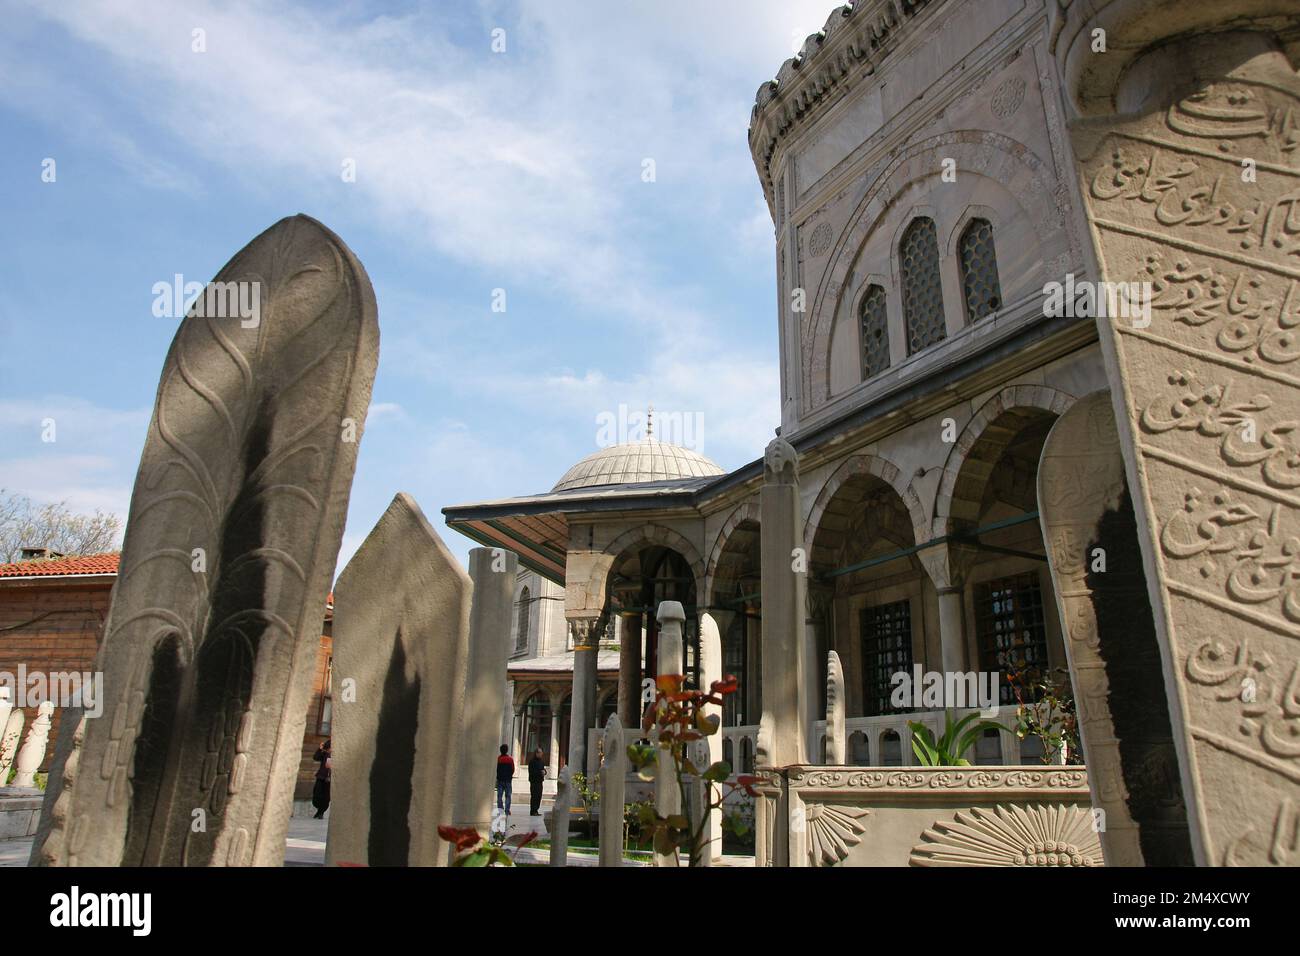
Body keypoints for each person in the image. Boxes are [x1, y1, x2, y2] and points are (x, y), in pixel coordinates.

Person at [312, 739, 332, 819]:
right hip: (321, 777)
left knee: (326, 797)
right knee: (317, 794)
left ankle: (321, 813)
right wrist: (320, 749)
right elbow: (316, 757)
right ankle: (319, 810)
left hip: (330, 780)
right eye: (329, 748)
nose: (330, 749)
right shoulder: (324, 754)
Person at [495, 744, 514, 815]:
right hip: (508, 780)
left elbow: (496, 769)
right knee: (508, 796)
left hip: (500, 780)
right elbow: (512, 769)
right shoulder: (510, 759)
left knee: (499, 796)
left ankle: (500, 810)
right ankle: (507, 810)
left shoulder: (498, 759)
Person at [527, 747, 547, 816]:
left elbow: (543, 769)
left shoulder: (541, 761)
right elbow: (532, 772)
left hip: (540, 781)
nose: (541, 754)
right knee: (534, 796)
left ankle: (536, 810)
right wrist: (540, 772)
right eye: (540, 753)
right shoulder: (532, 762)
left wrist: (544, 772)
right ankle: (533, 811)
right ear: (536, 753)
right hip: (534, 782)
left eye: (542, 753)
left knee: (539, 796)